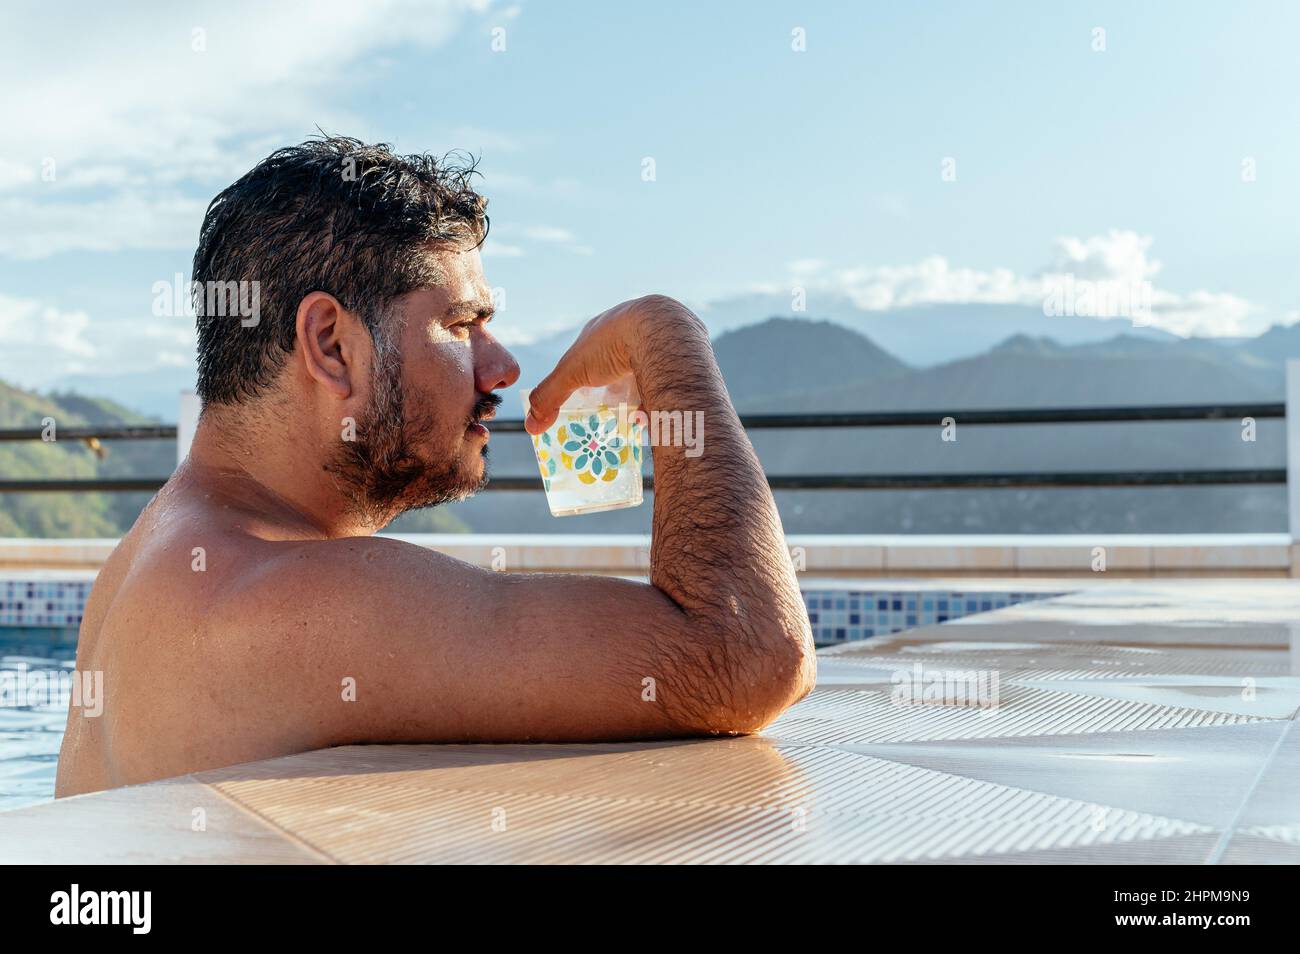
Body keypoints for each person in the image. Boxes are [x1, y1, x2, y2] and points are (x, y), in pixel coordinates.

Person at [55, 136, 815, 797]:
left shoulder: (146, 562)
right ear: (329, 345)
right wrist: (665, 334)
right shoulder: (291, 601)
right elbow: (745, 654)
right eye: (463, 323)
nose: (504, 366)